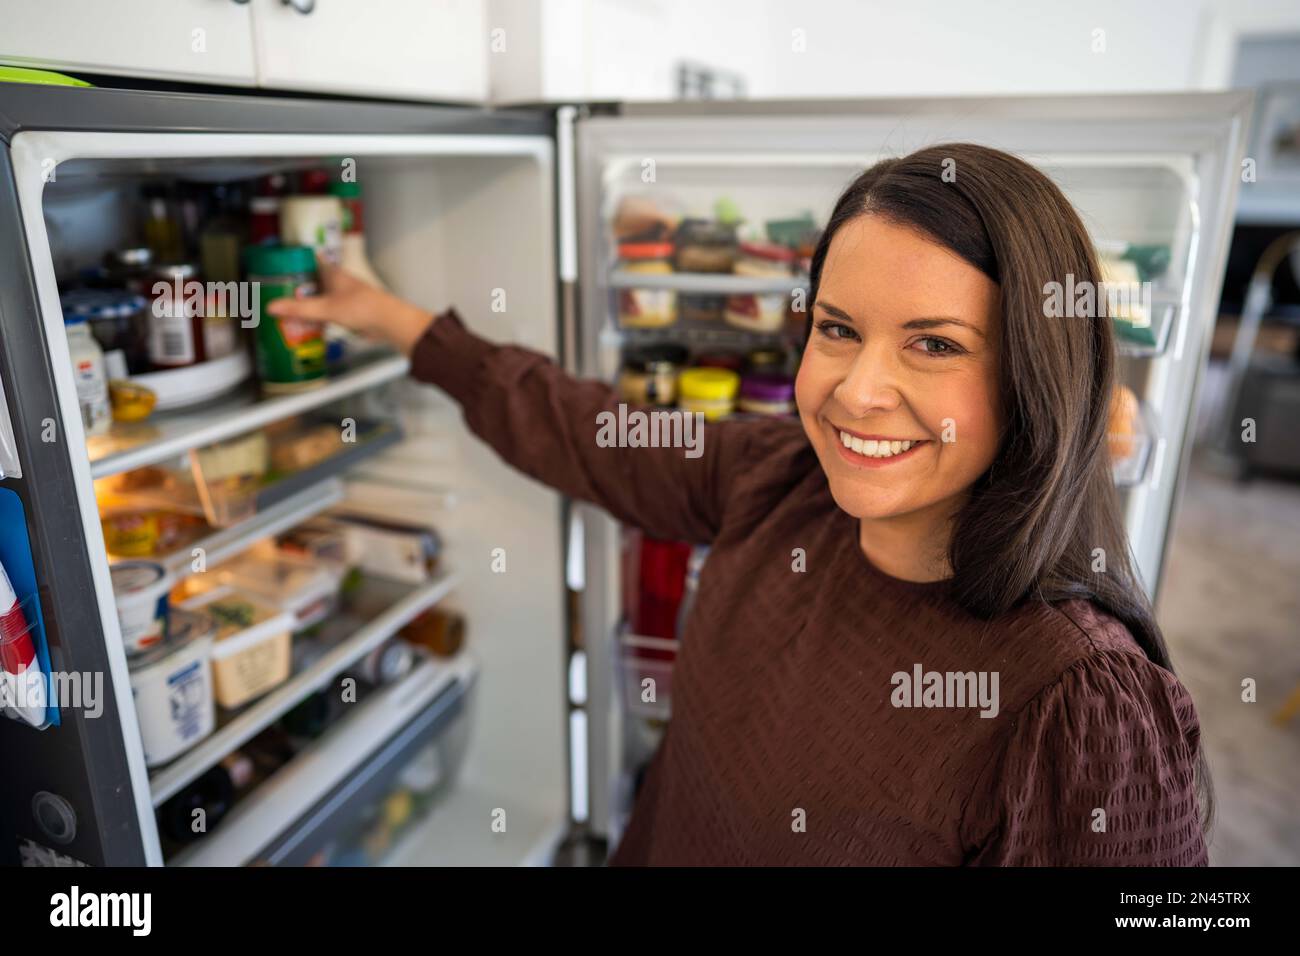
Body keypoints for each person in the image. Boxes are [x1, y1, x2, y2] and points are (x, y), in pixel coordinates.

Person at [268, 142, 1210, 866]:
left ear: (1037, 379)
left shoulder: (1081, 709)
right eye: (838, 329)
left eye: (933, 345)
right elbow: (582, 426)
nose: (857, 391)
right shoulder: (778, 481)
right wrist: (389, 319)